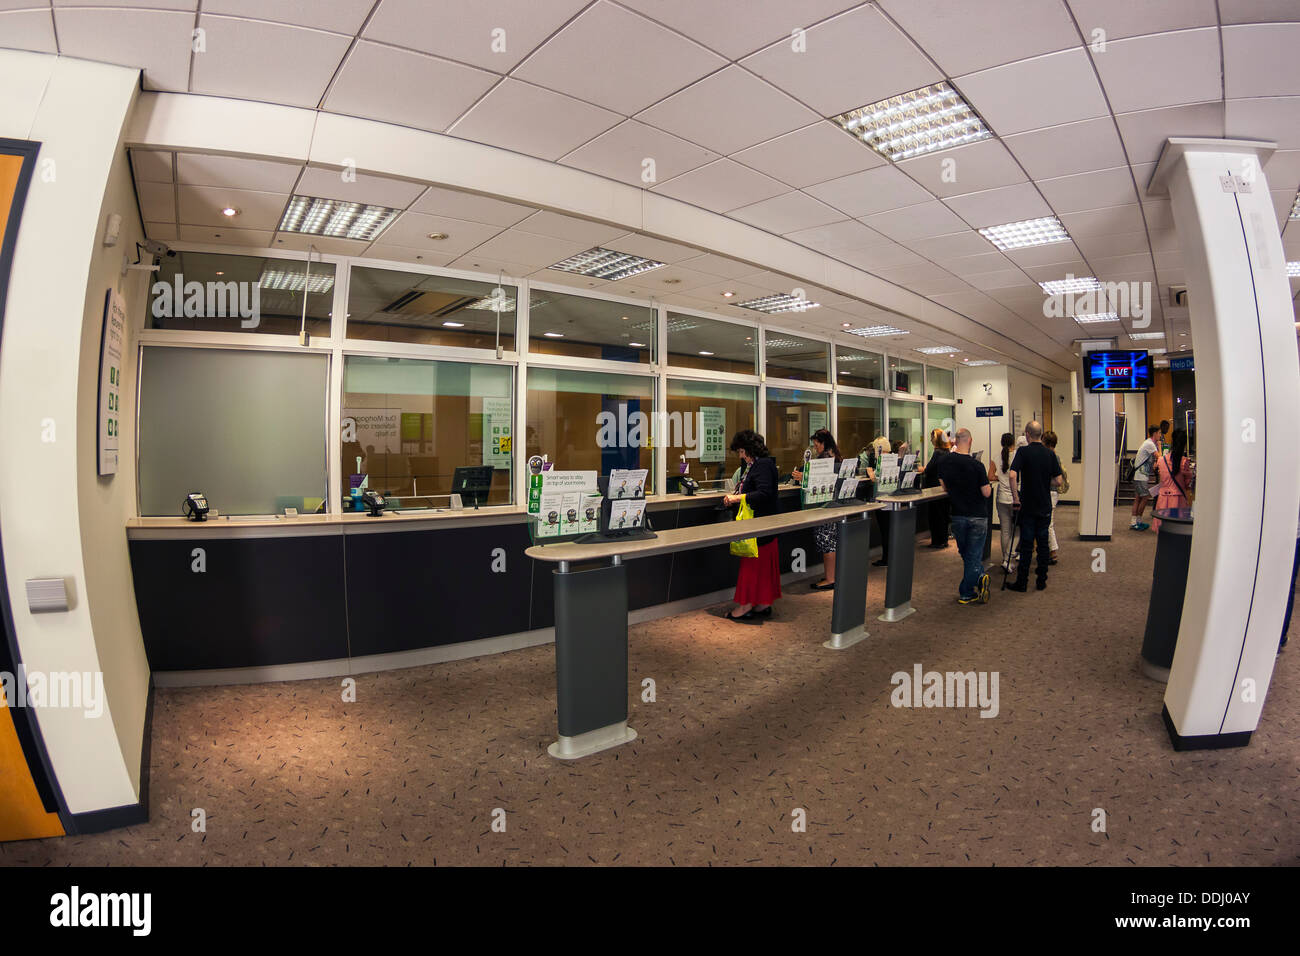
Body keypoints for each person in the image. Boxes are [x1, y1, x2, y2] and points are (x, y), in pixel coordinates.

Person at [723, 430, 780, 621]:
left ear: (748, 449)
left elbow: (763, 493)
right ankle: (763, 603)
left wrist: (737, 497)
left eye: (740, 451)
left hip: (759, 524)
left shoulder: (761, 465)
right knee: (763, 566)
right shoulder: (762, 464)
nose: (740, 456)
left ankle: (745, 606)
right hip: (765, 524)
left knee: (752, 565)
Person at [936, 427, 992, 605]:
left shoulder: (945, 462)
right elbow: (986, 493)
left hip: (958, 515)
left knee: (967, 554)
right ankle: (968, 590)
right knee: (974, 555)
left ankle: (977, 580)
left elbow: (944, 486)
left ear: (955, 441)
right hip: (977, 516)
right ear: (970, 441)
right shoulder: (977, 465)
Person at [1007, 421, 1063, 592]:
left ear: (1027, 435)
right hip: (1044, 505)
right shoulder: (1049, 454)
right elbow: (1058, 480)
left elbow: (1012, 475)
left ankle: (1022, 582)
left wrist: (1016, 498)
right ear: (1040, 434)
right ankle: (1041, 581)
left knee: (1026, 544)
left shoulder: (1023, 452)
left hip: (1028, 506)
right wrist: (1045, 481)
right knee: (1043, 544)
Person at [792, 428, 842, 590]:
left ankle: (830, 579)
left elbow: (820, 481)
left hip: (823, 505)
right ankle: (831, 576)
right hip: (832, 504)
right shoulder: (834, 455)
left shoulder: (825, 458)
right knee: (830, 542)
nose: (815, 448)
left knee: (827, 542)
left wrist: (803, 477)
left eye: (816, 445)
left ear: (823, 443)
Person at [1151, 427, 1194, 532]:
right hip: (1178, 500)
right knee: (1178, 529)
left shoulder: (1161, 460)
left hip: (1162, 499)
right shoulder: (1184, 462)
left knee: (1163, 529)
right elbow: (1188, 484)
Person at [990, 432, 1018, 571]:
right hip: (1015, 498)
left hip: (1001, 498)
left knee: (1005, 530)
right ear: (1013, 443)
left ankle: (1005, 560)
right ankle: (1009, 556)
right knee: (1018, 529)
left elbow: (990, 475)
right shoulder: (1018, 456)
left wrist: (1000, 479)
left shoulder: (995, 457)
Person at [922, 427, 951, 548]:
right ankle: (943, 540)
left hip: (934, 488)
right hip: (944, 488)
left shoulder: (937, 452)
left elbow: (929, 469)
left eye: (932, 438)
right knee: (944, 514)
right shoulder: (947, 452)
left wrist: (922, 469)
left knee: (935, 515)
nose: (930, 440)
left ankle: (937, 541)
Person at [1042, 430, 1068, 565]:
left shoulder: (1050, 456)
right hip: (1053, 493)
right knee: (1048, 523)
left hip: (1050, 493)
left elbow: (1055, 479)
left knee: (1048, 524)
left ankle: (1053, 553)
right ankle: (1049, 551)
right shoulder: (1054, 456)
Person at [1130, 425, 1161, 531]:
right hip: (1140, 476)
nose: (1160, 436)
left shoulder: (1148, 443)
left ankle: (1135, 522)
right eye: (1159, 433)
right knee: (1145, 497)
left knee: (1138, 498)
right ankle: (1137, 522)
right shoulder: (1150, 444)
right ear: (1155, 433)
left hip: (1139, 475)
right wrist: (1159, 446)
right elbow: (1159, 457)